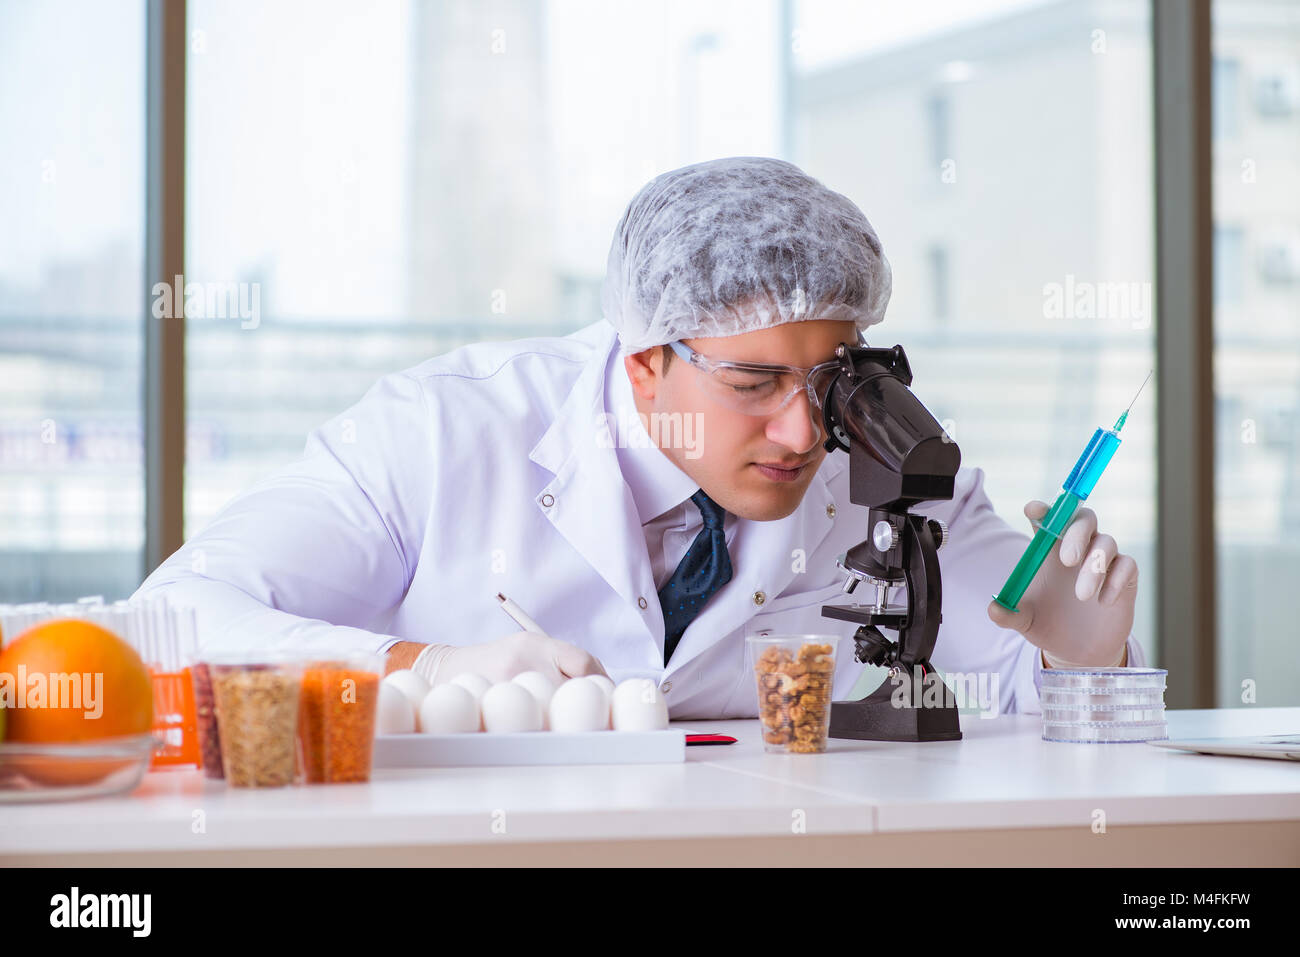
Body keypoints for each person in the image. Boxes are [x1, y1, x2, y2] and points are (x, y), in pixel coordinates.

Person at [133, 156, 1142, 719]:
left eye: (830, 381)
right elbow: (172, 620)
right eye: (753, 381)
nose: (803, 431)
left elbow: (1014, 722)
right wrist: (422, 665)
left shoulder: (883, 469)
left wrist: (1080, 661)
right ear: (644, 360)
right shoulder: (440, 433)